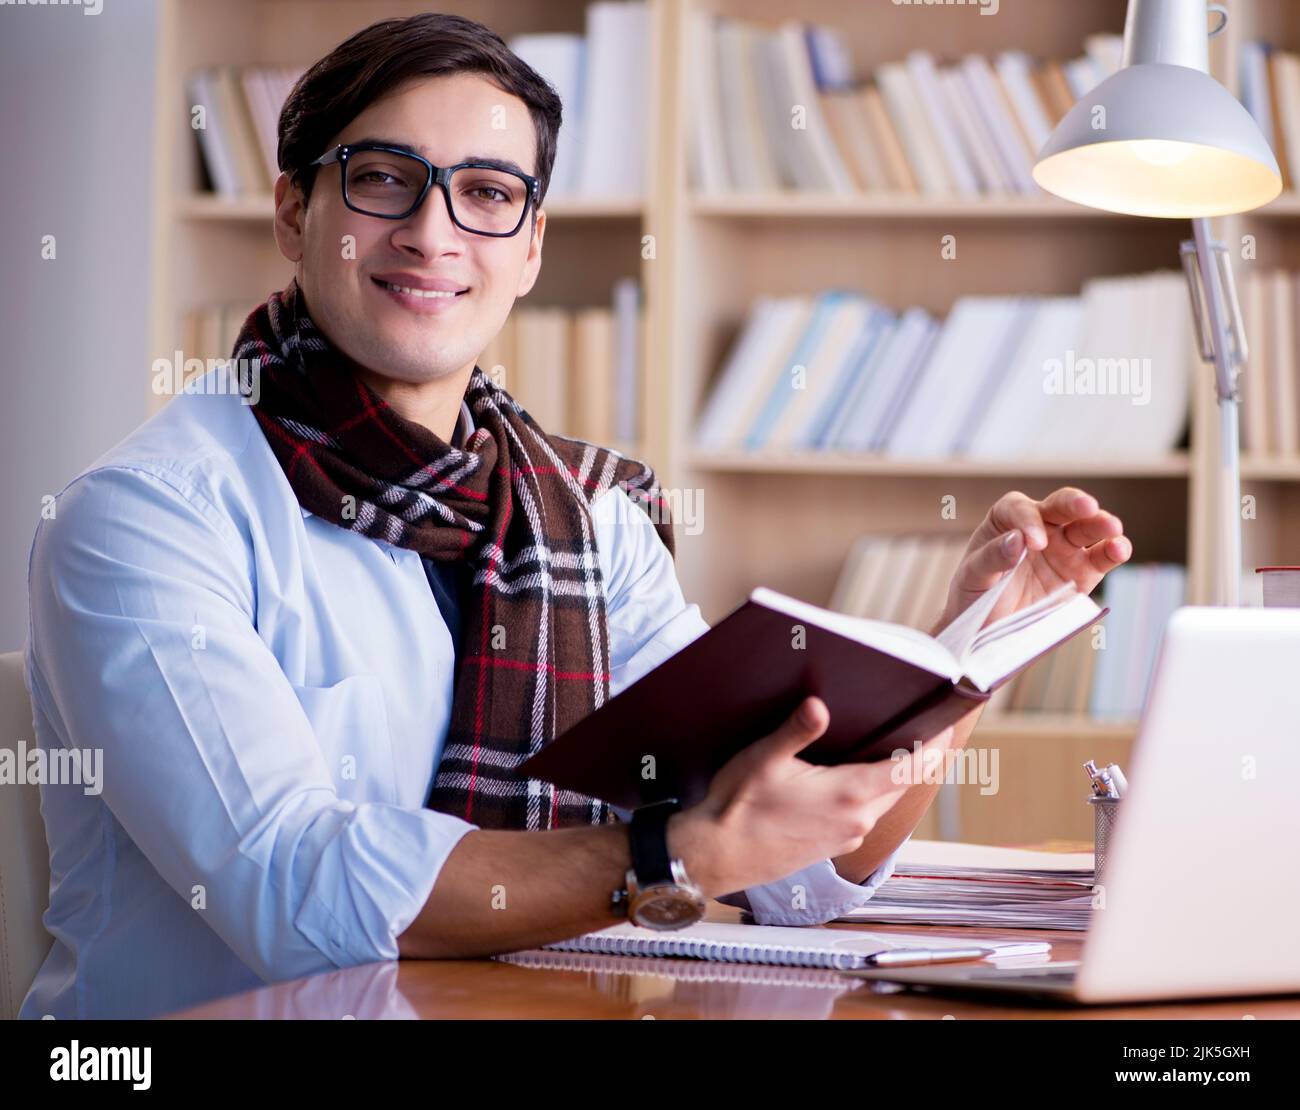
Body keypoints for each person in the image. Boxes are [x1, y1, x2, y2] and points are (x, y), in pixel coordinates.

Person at [20, 12, 1132, 1018]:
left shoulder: (587, 520)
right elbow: (292, 889)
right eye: (382, 180)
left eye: (488, 193)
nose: (433, 233)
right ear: (293, 210)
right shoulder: (144, 519)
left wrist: (964, 654)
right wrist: (668, 854)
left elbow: (793, 878)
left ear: (532, 246)